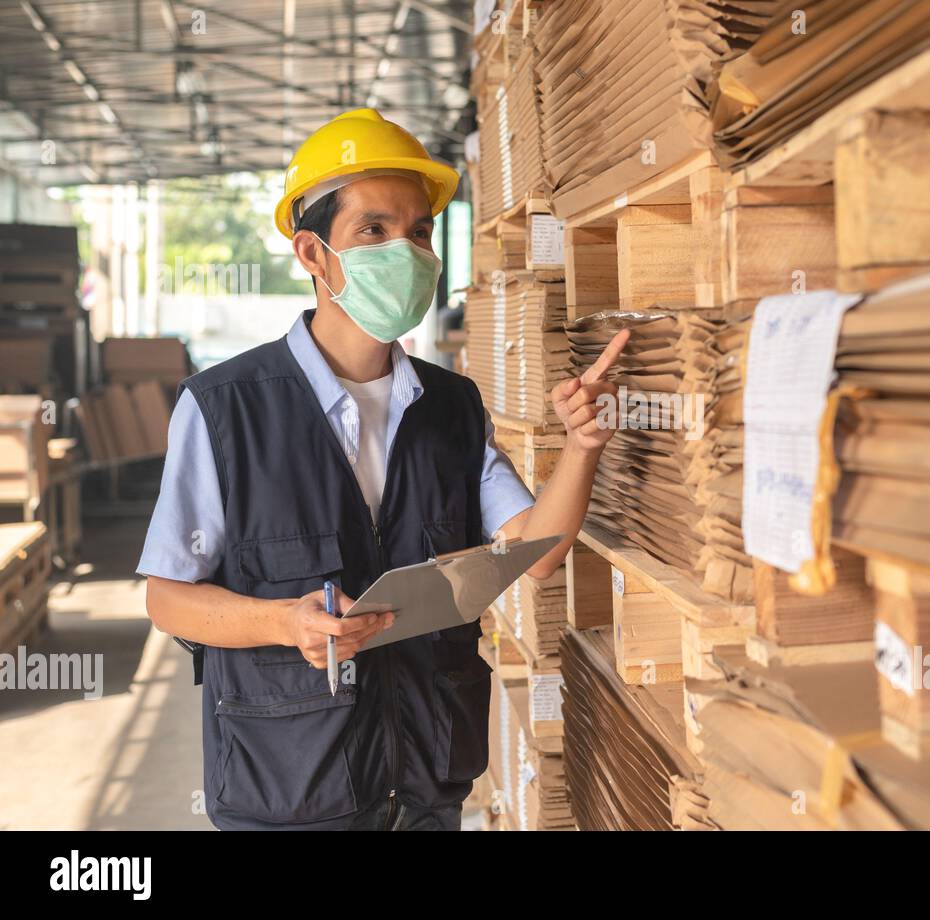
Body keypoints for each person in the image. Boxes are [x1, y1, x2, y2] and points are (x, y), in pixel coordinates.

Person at [137, 108, 629, 830]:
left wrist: (583, 446)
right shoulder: (224, 408)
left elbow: (539, 552)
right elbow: (166, 598)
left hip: (425, 785)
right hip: (289, 786)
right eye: (374, 230)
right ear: (312, 253)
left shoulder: (451, 405)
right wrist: (282, 623)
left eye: (420, 231)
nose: (407, 250)